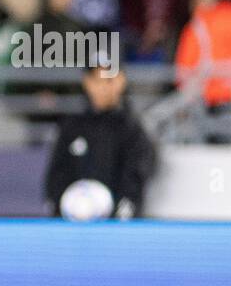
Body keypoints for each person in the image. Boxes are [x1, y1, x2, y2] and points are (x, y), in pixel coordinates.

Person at [43, 61, 156, 220]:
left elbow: (136, 179)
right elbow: (56, 176)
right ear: (87, 82)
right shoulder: (72, 127)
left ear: (121, 80)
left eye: (109, 79)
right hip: (73, 226)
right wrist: (63, 208)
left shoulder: (133, 131)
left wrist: (121, 214)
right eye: (97, 79)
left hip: (117, 229)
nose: (103, 86)